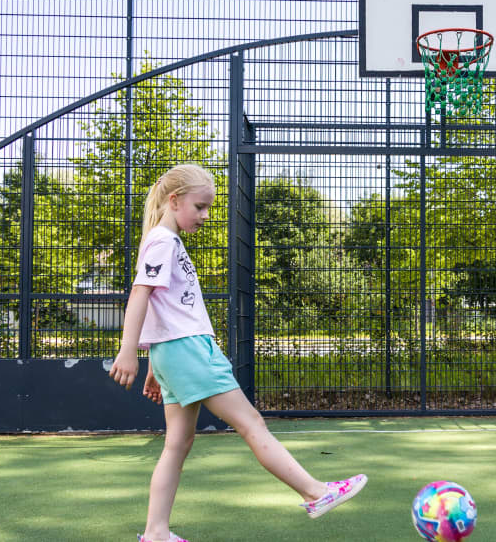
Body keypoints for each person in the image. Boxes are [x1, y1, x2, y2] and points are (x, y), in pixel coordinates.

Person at [109, 164, 367, 542]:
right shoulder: (163, 241)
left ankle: (156, 533)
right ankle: (315, 492)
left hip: (174, 353)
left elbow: (163, 308)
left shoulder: (164, 241)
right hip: (189, 350)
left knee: (177, 445)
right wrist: (128, 350)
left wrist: (154, 364)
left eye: (208, 208)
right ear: (174, 200)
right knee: (251, 423)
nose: (205, 216)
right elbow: (139, 295)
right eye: (199, 206)